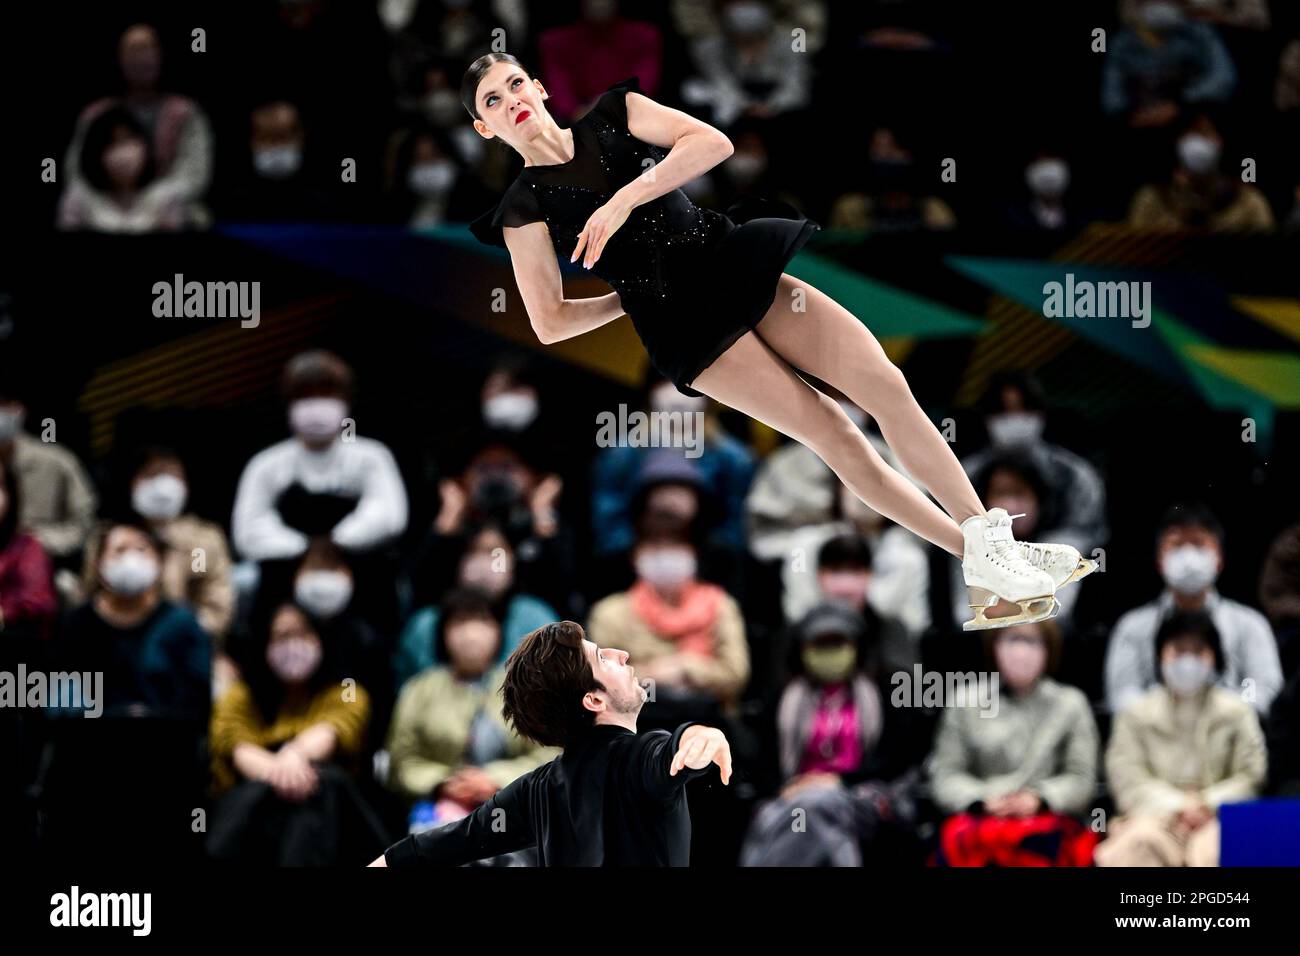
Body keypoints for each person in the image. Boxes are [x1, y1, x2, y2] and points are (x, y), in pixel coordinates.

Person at [460, 53, 1093, 631]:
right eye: (491, 101)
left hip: (733, 260)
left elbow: (711, 142)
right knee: (833, 433)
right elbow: (548, 320)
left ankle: (992, 545)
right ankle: (974, 558)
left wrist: (626, 197)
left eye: (515, 83)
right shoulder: (525, 206)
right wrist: (627, 295)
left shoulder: (614, 114)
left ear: (539, 87)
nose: (510, 99)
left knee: (885, 386)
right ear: (485, 129)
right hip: (686, 327)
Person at [370, 620, 732, 866]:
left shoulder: (536, 789)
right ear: (593, 700)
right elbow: (667, 753)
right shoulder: (640, 755)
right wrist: (699, 734)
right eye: (603, 658)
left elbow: (442, 844)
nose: (621, 654)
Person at [208, 600, 386, 865]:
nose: (293, 645)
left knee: (324, 784)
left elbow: (333, 730)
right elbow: (236, 747)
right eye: (282, 636)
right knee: (270, 795)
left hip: (334, 823)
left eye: (303, 634)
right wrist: (286, 771)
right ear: (264, 644)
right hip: (252, 814)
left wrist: (295, 753)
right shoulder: (238, 696)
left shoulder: (347, 692)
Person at [1096, 610, 1267, 867]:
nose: (1188, 660)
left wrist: (1208, 803)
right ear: (1160, 655)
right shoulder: (1135, 714)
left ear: (1215, 658)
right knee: (1137, 846)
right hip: (1153, 817)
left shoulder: (1237, 712)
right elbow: (1126, 777)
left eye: (1198, 651)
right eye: (1178, 650)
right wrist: (1178, 805)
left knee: (1221, 849)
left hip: (1218, 818)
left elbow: (1252, 775)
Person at [928, 620, 1100, 866]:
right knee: (955, 839)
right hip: (982, 816)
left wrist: (1040, 798)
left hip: (1046, 817)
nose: (1021, 652)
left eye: (1031, 641)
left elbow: (1082, 779)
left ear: (1048, 648)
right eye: (1011, 639)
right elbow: (946, 775)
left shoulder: (1071, 703)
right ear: (994, 646)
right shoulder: (965, 701)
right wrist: (982, 798)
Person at [1105, 502, 1282, 716]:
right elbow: (1123, 695)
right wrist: (1167, 717)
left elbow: (1262, 688)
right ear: (1160, 560)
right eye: (1176, 545)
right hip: (1157, 740)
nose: (1188, 557)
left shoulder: (1250, 624)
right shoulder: (1133, 626)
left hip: (1227, 736)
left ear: (1219, 559)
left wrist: (1226, 709)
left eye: (1199, 544)